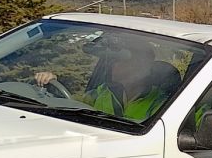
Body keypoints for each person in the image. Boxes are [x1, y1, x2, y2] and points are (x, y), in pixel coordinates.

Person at [35, 41, 181, 122]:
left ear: (140, 66)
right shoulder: (100, 93)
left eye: (119, 61)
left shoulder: (161, 104)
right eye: (112, 60)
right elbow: (71, 105)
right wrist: (51, 81)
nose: (112, 65)